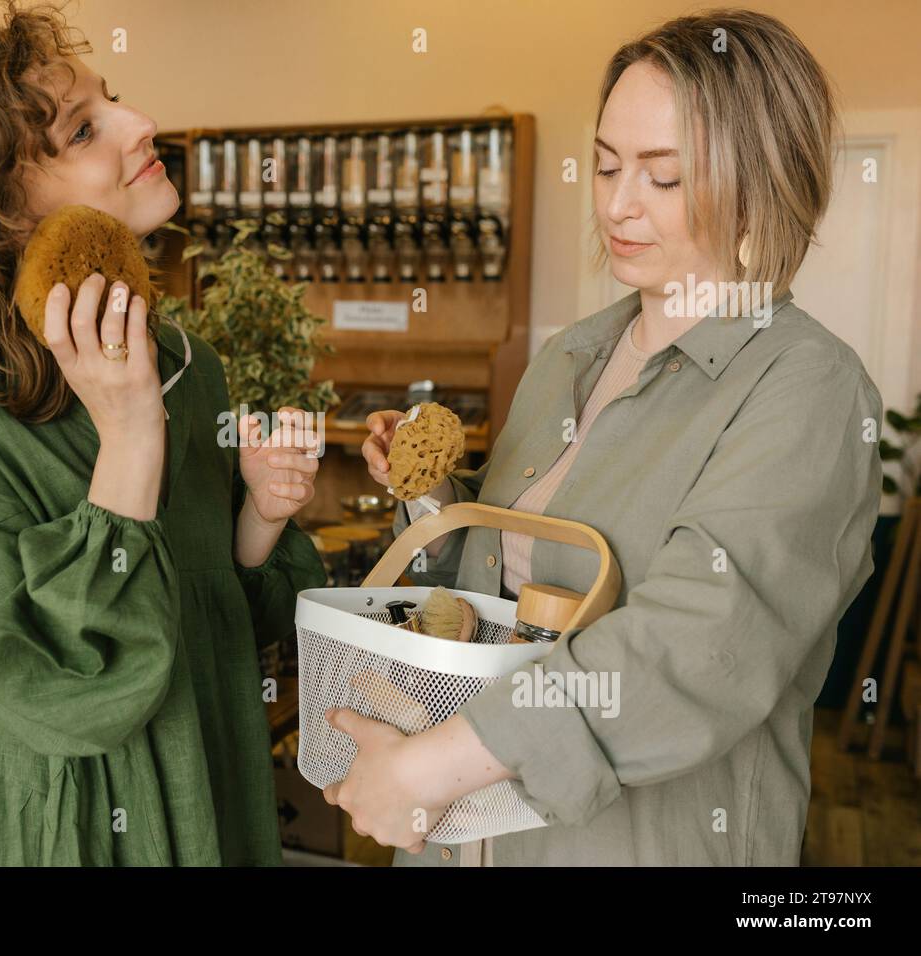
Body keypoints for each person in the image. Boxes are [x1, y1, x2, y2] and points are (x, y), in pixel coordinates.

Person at [342, 8, 882, 867]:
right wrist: (431, 490)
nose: (618, 204)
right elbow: (489, 574)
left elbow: (695, 647)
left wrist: (432, 766)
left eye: (665, 177)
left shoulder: (810, 388)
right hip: (459, 835)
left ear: (760, 183)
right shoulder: (571, 353)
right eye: (604, 165)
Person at [0, 1, 326, 865]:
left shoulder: (190, 366)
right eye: (83, 129)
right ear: (1, 212)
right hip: (58, 831)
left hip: (207, 795)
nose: (141, 122)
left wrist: (259, 518)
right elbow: (68, 697)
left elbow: (226, 621)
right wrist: (129, 440)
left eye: (112, 99)